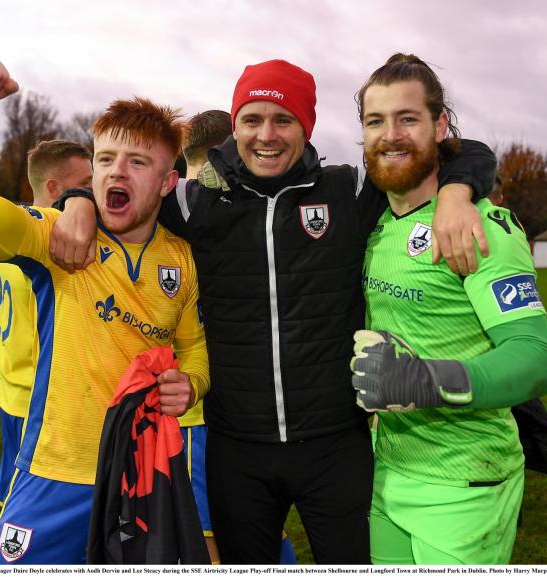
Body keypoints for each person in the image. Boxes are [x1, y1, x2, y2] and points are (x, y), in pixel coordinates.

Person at [52, 58, 496, 564]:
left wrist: (457, 191)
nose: (267, 134)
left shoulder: (348, 190)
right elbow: (127, 196)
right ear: (234, 125)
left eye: (283, 120)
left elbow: (460, 152)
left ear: (305, 127)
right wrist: (78, 200)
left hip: (335, 445)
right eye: (252, 119)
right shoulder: (197, 205)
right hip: (237, 450)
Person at [0, 50, 208, 564]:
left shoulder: (182, 259)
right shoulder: (55, 237)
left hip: (141, 478)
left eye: (137, 162)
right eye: (105, 159)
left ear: (169, 182)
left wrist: (191, 383)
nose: (114, 173)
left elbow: (193, 348)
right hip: (55, 474)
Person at [349, 53, 547, 564]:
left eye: (408, 119)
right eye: (375, 121)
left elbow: (535, 357)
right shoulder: (372, 217)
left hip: (466, 480)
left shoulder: (480, 226)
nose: (390, 134)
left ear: (440, 125)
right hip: (387, 470)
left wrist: (429, 380)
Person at [175, 109, 297, 565]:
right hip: (198, 418)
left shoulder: (178, 209)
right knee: (211, 546)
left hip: (233, 418)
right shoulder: (182, 210)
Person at [0, 140, 93, 563]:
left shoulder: (13, 233)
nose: (91, 193)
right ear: (56, 187)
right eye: (85, 184)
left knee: (12, 505)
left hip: (11, 390)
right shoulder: (49, 240)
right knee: (20, 525)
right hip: (40, 401)